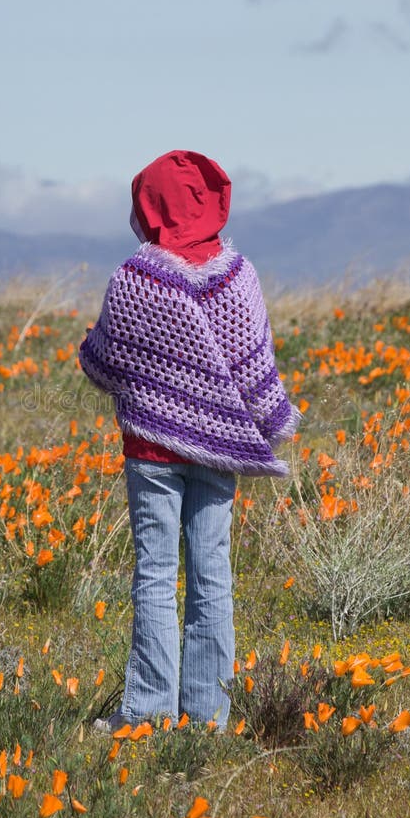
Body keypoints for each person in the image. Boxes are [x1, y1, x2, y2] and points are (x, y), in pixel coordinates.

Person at [78, 150, 300, 733]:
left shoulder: (136, 277)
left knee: (154, 575)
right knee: (213, 577)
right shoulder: (237, 275)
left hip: (150, 452)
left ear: (148, 206)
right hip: (218, 452)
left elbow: (103, 362)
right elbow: (256, 372)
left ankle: (148, 715)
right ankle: (206, 718)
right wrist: (272, 422)